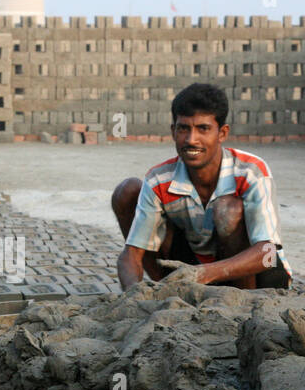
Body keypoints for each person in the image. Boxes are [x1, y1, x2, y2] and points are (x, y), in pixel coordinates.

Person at [112, 83, 292, 291]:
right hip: (193, 270)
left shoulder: (250, 172)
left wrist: (203, 274)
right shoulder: (159, 180)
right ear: (173, 131)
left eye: (203, 129)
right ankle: (165, 288)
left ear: (222, 133)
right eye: (183, 129)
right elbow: (131, 254)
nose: (191, 140)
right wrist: (134, 293)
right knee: (128, 190)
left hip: (255, 278)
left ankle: (243, 300)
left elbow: (268, 254)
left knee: (228, 210)